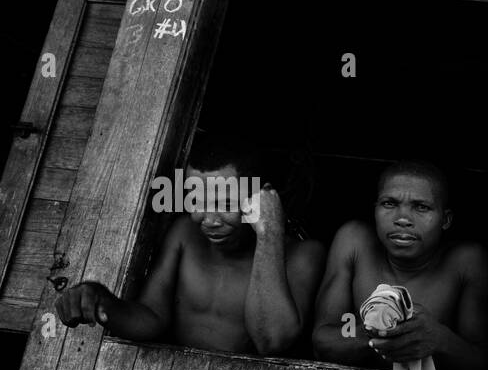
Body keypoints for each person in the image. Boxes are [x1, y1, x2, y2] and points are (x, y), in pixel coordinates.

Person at [54, 137, 325, 356]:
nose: (208, 220)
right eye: (197, 202)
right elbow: (152, 319)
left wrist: (269, 232)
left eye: (225, 203)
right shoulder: (185, 235)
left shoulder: (303, 255)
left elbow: (273, 341)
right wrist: (103, 302)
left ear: (262, 199)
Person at [312, 160, 488, 370]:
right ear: (375, 209)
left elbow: (481, 361)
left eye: (421, 207)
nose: (402, 219)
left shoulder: (466, 261)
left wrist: (438, 339)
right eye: (389, 204)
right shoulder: (354, 241)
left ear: (445, 220)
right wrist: (378, 331)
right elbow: (323, 341)